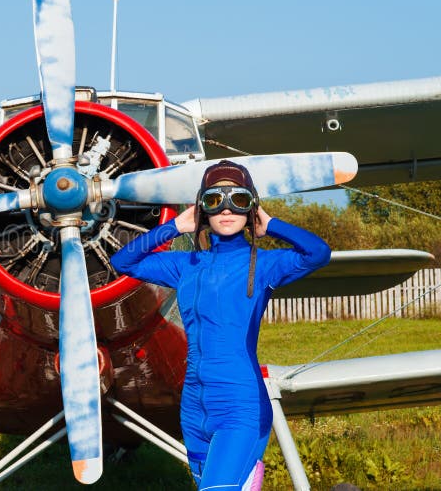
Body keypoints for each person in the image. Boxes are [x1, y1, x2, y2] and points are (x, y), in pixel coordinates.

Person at [110, 160, 331, 491]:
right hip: (194, 408)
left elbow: (318, 253)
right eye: (214, 200)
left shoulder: (266, 264)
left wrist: (270, 225)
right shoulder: (186, 264)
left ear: (251, 208)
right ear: (202, 209)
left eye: (239, 200)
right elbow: (123, 261)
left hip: (240, 406)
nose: (226, 210)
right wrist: (173, 227)